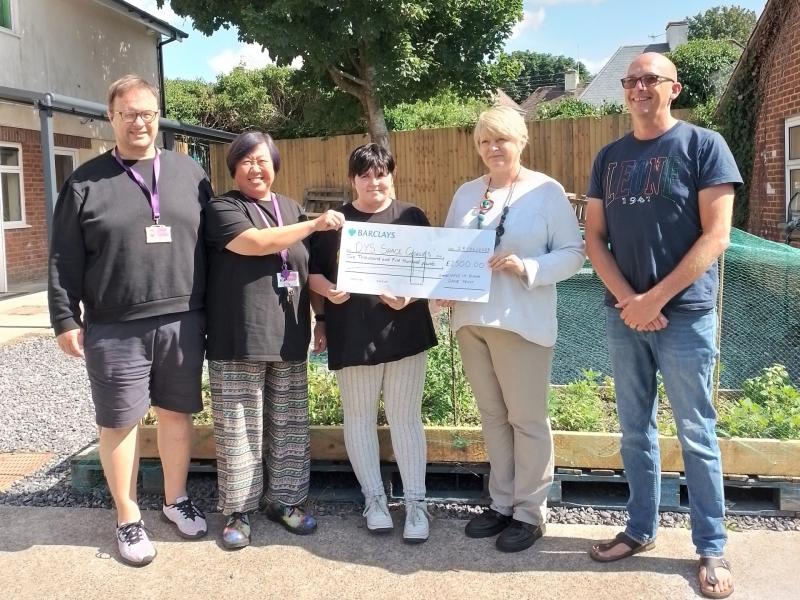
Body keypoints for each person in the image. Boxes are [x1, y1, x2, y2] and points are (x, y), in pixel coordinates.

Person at [584, 53, 741, 599]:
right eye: (632, 80)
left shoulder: (704, 147)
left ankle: (711, 545)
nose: (640, 87)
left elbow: (716, 236)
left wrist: (655, 298)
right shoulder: (608, 157)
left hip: (685, 316)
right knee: (634, 430)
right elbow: (594, 240)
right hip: (624, 314)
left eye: (652, 79)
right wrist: (631, 300)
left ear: (674, 88)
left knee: (696, 433)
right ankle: (640, 529)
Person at [48, 75, 211, 566]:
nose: (139, 122)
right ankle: (127, 516)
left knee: (176, 415)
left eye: (147, 113)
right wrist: (63, 317)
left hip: (183, 318)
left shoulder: (190, 173)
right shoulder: (84, 182)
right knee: (118, 421)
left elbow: (217, 243)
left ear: (158, 117)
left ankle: (175, 500)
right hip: (115, 324)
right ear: (111, 118)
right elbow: (63, 258)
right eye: (128, 114)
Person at [439, 106, 585, 552]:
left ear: (521, 140)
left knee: (526, 419)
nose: (492, 149)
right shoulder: (467, 193)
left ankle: (530, 511)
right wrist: (442, 288)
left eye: (501, 139)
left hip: (521, 323)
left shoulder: (546, 191)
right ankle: (501, 503)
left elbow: (574, 253)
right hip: (470, 321)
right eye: (484, 141)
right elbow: (450, 251)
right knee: (493, 417)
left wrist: (528, 265)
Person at [203, 131, 345, 549]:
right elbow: (257, 243)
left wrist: (322, 315)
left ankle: (283, 502)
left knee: (289, 425)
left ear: (275, 164)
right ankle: (239, 511)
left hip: (289, 337)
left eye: (262, 160)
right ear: (234, 168)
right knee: (239, 429)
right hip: (237, 336)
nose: (255, 168)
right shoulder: (223, 207)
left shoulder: (289, 208)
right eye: (245, 161)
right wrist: (316, 222)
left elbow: (306, 268)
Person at [308, 143, 438, 543]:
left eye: (380, 173)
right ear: (353, 180)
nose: (373, 182)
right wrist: (327, 298)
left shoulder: (411, 216)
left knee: (405, 418)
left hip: (404, 332)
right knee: (359, 418)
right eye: (364, 175)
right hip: (353, 332)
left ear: (391, 176)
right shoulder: (335, 223)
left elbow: (431, 268)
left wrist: (410, 297)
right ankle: (375, 500)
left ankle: (416, 504)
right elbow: (314, 274)